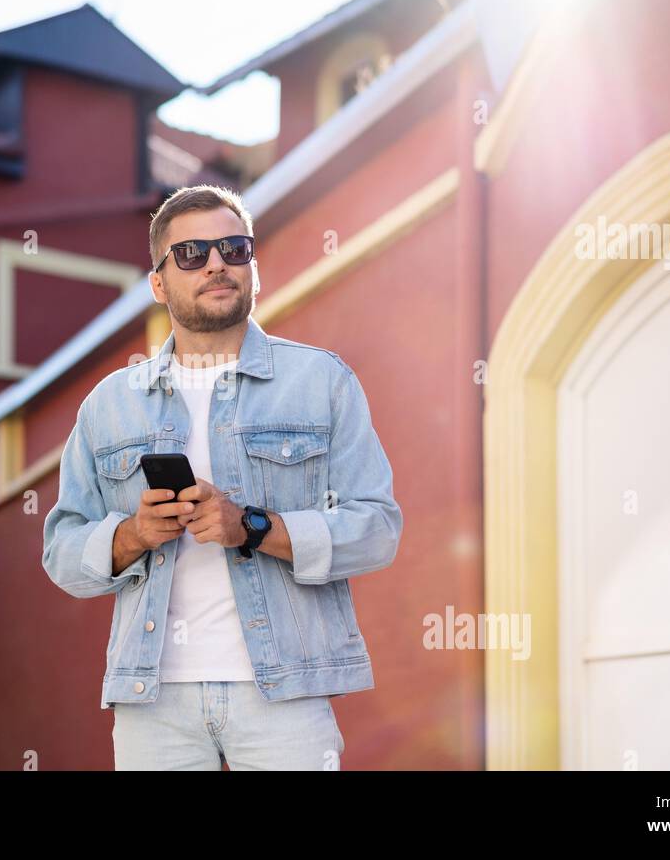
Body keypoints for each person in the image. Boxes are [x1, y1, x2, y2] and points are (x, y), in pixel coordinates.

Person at [41, 184, 402, 770]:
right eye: (191, 253)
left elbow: (378, 529)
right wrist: (133, 534)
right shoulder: (110, 405)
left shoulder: (322, 382)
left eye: (235, 249)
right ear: (158, 282)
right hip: (153, 699)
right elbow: (61, 552)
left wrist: (252, 527)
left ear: (253, 268)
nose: (216, 263)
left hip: (283, 693)